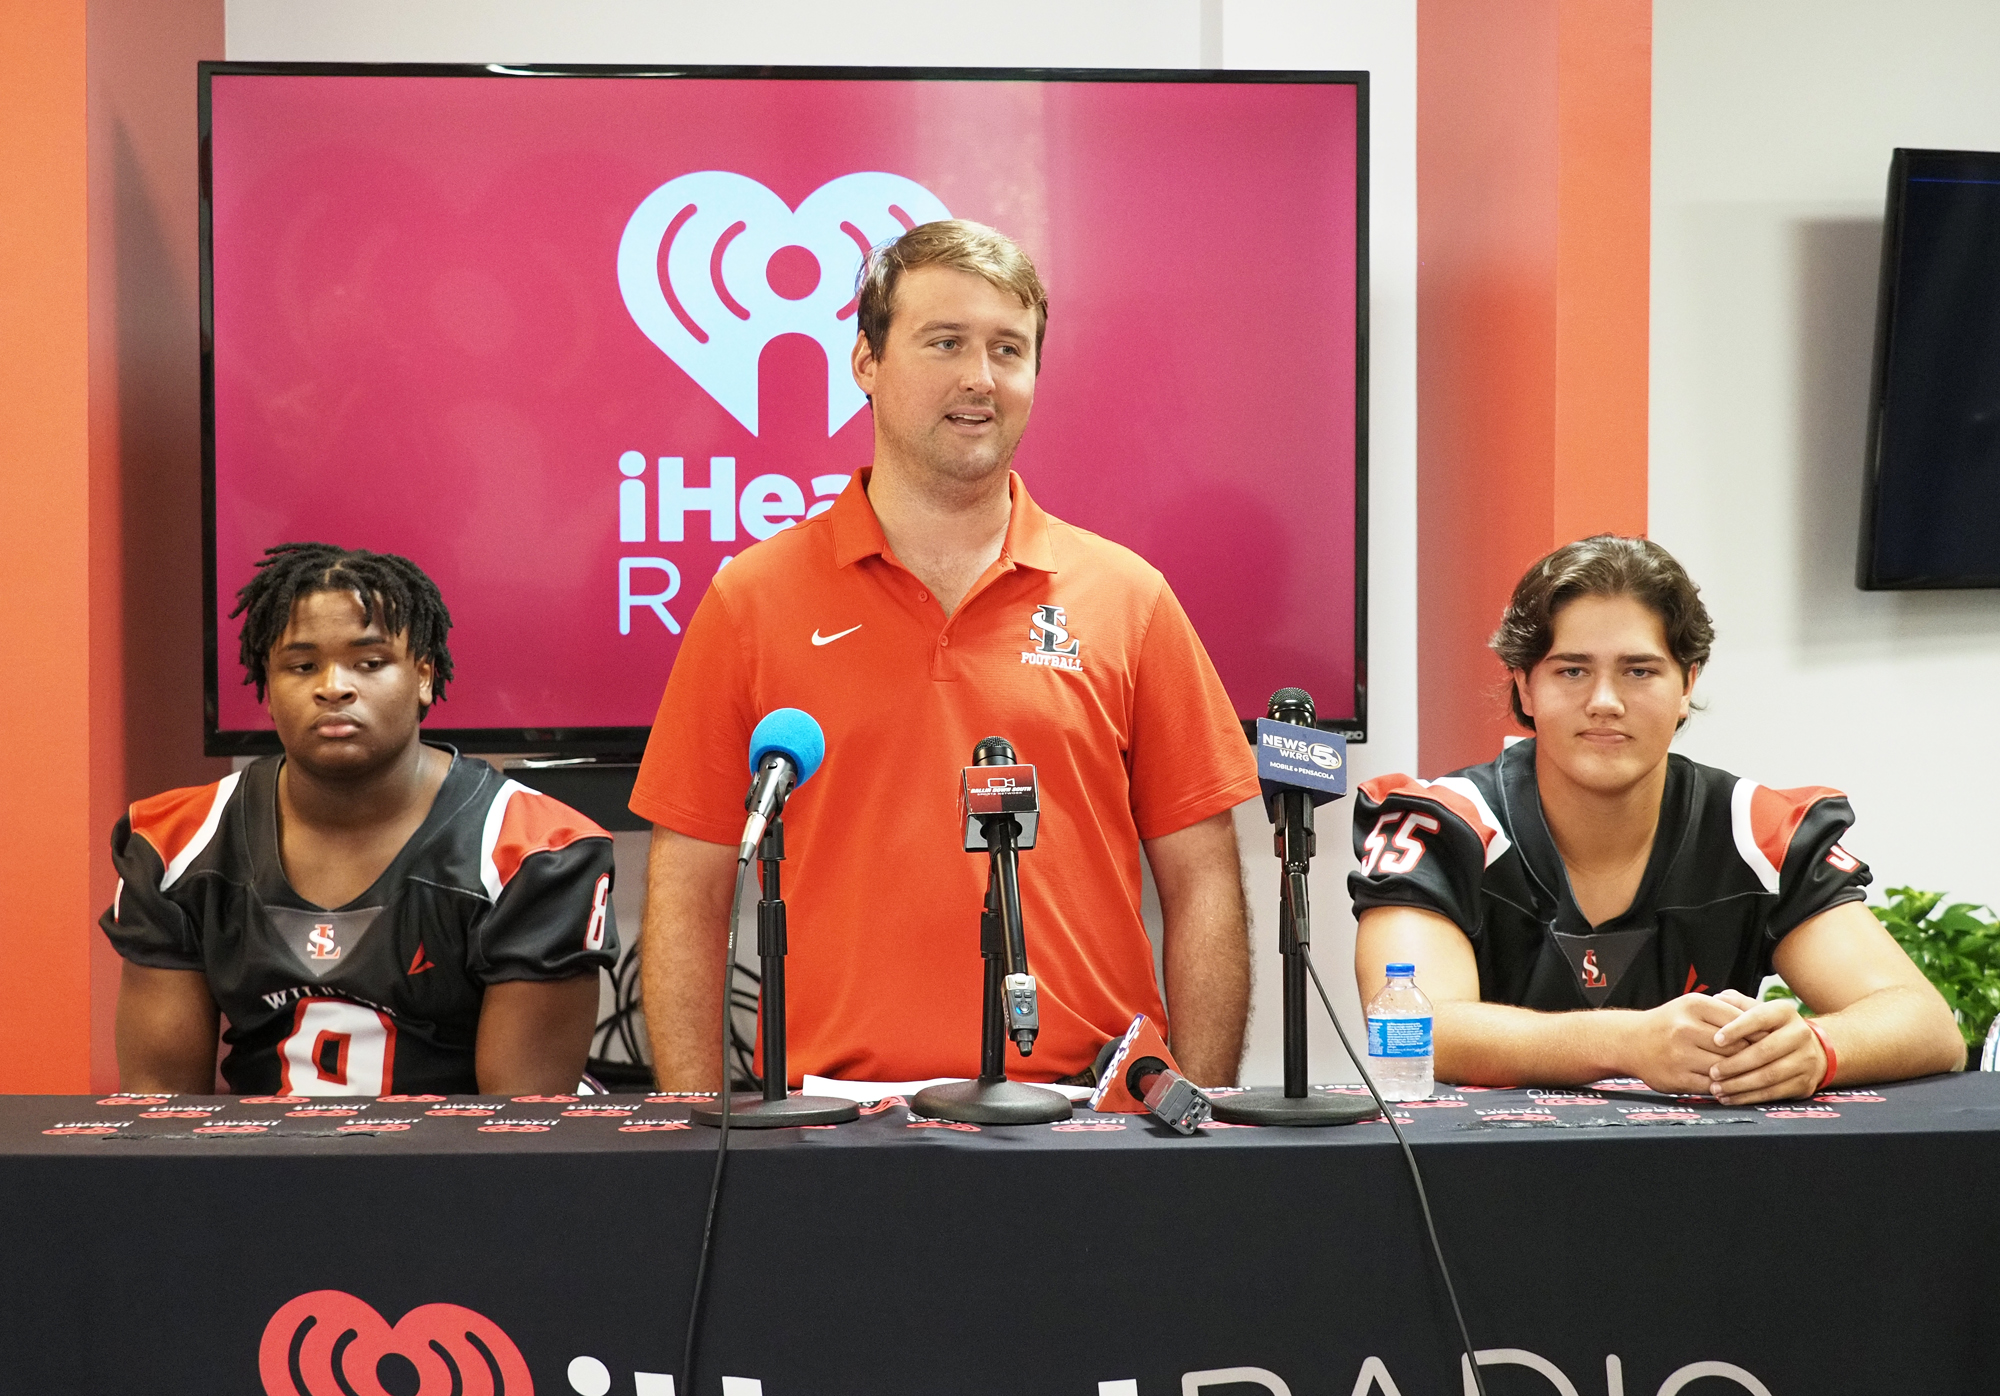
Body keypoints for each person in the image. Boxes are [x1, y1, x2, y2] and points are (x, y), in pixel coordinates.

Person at [632, 220, 1260, 1090]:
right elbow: (687, 890)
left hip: (1092, 1119)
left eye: (1009, 349)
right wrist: (696, 1127)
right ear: (865, 363)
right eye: (945, 342)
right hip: (837, 1124)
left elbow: (1204, 885)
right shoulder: (753, 600)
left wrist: (1203, 1122)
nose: (980, 377)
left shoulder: (1131, 597)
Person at [1350, 535, 1963, 1103]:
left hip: (1702, 1184)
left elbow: (1926, 1023)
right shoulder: (1443, 821)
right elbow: (1413, 1026)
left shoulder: (1754, 828)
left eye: (1639, 671)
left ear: (1686, 685)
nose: (1605, 702)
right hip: (1469, 1186)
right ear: (1525, 687)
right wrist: (1628, 1044)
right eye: (1572, 670)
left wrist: (1819, 1050)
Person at [104, 543, 618, 1096]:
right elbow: (161, 1109)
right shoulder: (172, 842)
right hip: (260, 1166)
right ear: (268, 692)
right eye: (301, 666)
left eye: (369, 663)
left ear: (424, 677)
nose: (333, 686)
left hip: (464, 1170)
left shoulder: (535, 850)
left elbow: (520, 1124)